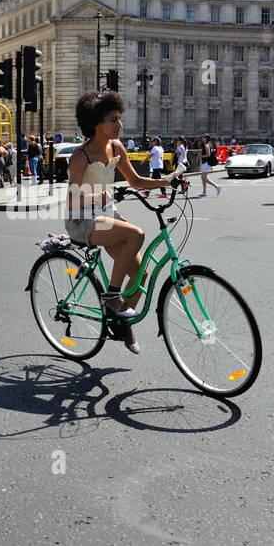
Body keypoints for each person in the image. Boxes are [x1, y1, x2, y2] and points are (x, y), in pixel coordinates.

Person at [65, 90, 177, 355]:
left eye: (120, 118)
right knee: (136, 234)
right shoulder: (81, 156)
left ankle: (120, 321)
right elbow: (71, 200)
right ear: (96, 124)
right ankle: (112, 297)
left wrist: (168, 181)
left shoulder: (116, 147)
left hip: (107, 215)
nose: (120, 124)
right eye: (113, 119)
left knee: (141, 275)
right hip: (83, 219)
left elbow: (136, 181)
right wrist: (99, 194)